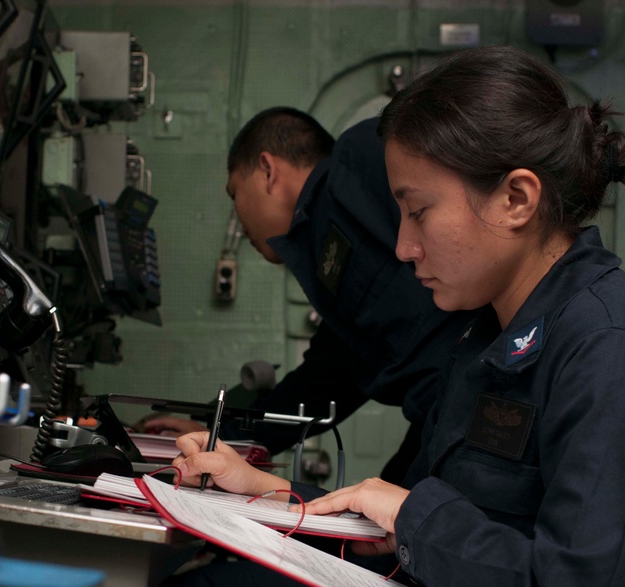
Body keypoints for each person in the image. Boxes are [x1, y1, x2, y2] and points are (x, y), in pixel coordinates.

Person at [123, 45, 625, 587]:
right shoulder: (489, 336)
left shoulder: (609, 351)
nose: (402, 247)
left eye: (418, 211)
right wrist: (278, 494)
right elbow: (442, 518)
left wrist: (410, 516)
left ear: (516, 198)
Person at [140, 107, 474, 484]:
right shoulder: (323, 242)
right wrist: (221, 432)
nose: (237, 217)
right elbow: (330, 375)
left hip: (473, 401)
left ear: (267, 170)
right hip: (444, 415)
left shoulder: (360, 156)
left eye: (235, 192)